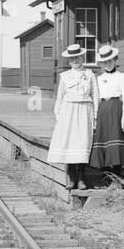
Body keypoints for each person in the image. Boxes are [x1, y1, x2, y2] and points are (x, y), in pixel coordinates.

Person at [47, 44, 99, 190]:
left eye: (77, 57)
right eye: (72, 59)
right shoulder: (64, 77)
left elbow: (95, 97)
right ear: (69, 61)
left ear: (82, 58)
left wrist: (94, 117)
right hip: (68, 112)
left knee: (82, 143)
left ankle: (81, 178)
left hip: (84, 111)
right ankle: (71, 178)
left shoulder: (90, 75)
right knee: (69, 143)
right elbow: (59, 98)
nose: (75, 60)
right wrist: (59, 117)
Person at [88, 45, 124, 173]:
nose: (108, 64)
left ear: (115, 60)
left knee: (117, 145)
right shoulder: (99, 79)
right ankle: (106, 178)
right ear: (102, 63)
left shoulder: (121, 76)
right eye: (105, 62)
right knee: (105, 143)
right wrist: (95, 117)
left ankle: (117, 178)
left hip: (117, 111)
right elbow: (96, 98)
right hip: (103, 112)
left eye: (110, 61)